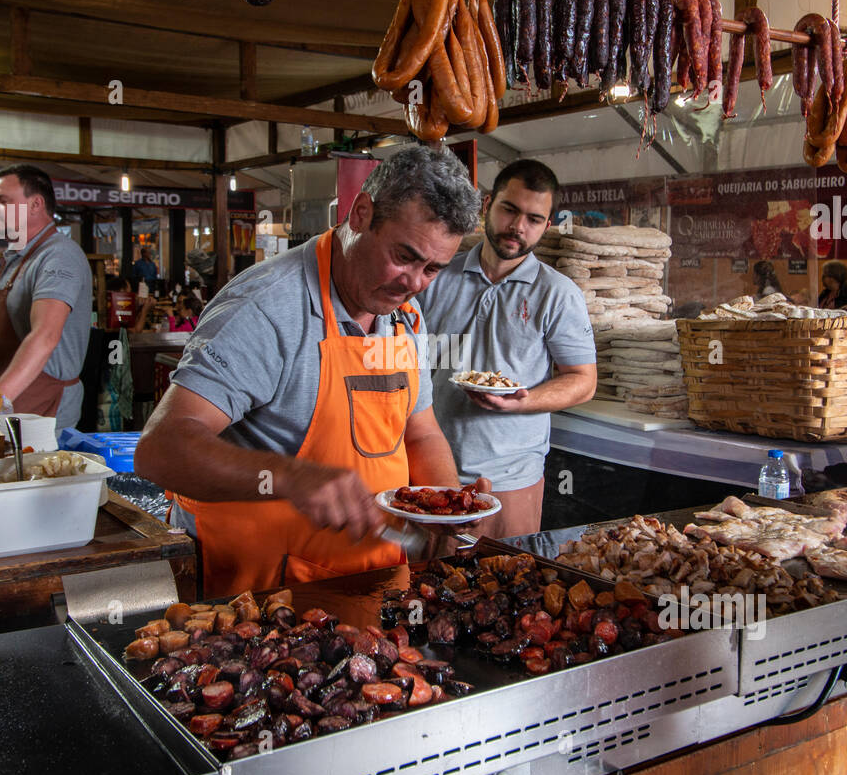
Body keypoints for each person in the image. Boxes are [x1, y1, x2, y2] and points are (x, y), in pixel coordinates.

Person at [134, 145, 483, 596]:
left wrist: (444, 510)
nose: (414, 282)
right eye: (404, 256)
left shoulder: (403, 317)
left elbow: (420, 432)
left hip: (372, 584)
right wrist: (289, 477)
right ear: (360, 213)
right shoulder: (266, 308)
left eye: (433, 269)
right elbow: (160, 450)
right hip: (258, 598)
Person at [418, 160, 596, 539]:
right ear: (487, 205)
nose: (518, 227)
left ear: (547, 226)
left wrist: (521, 400)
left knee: (503, 588)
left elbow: (583, 380)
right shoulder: (435, 276)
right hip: (428, 470)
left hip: (510, 479)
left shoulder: (557, 294)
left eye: (533, 219)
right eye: (509, 210)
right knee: (424, 587)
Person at [0, 163, 93, 429]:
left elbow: (45, 336)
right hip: (11, 406)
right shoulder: (18, 257)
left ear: (36, 204)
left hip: (40, 409)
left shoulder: (59, 256)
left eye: (2, 201)